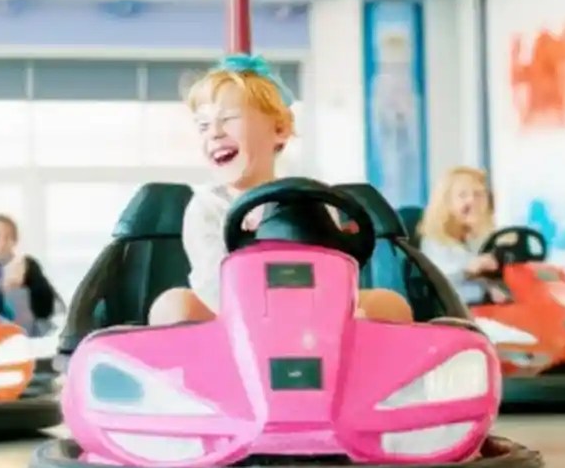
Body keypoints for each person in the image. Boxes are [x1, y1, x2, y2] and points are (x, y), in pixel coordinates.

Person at [148, 54, 413, 326]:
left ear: (279, 129)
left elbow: (335, 268)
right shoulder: (207, 207)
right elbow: (212, 282)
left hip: (315, 309)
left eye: (228, 119)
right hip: (232, 319)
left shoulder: (310, 201)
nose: (214, 133)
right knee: (173, 305)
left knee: (390, 304)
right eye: (203, 125)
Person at [418, 166, 509, 305]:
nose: (472, 201)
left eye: (478, 194)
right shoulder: (435, 242)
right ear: (446, 203)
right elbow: (439, 288)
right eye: (463, 195)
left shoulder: (479, 240)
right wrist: (469, 272)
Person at [0, 213, 59, 335]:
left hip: (24, 335)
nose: (2, 242)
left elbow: (46, 309)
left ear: (15, 241)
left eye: (8, 237)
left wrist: (20, 286)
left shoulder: (26, 265)